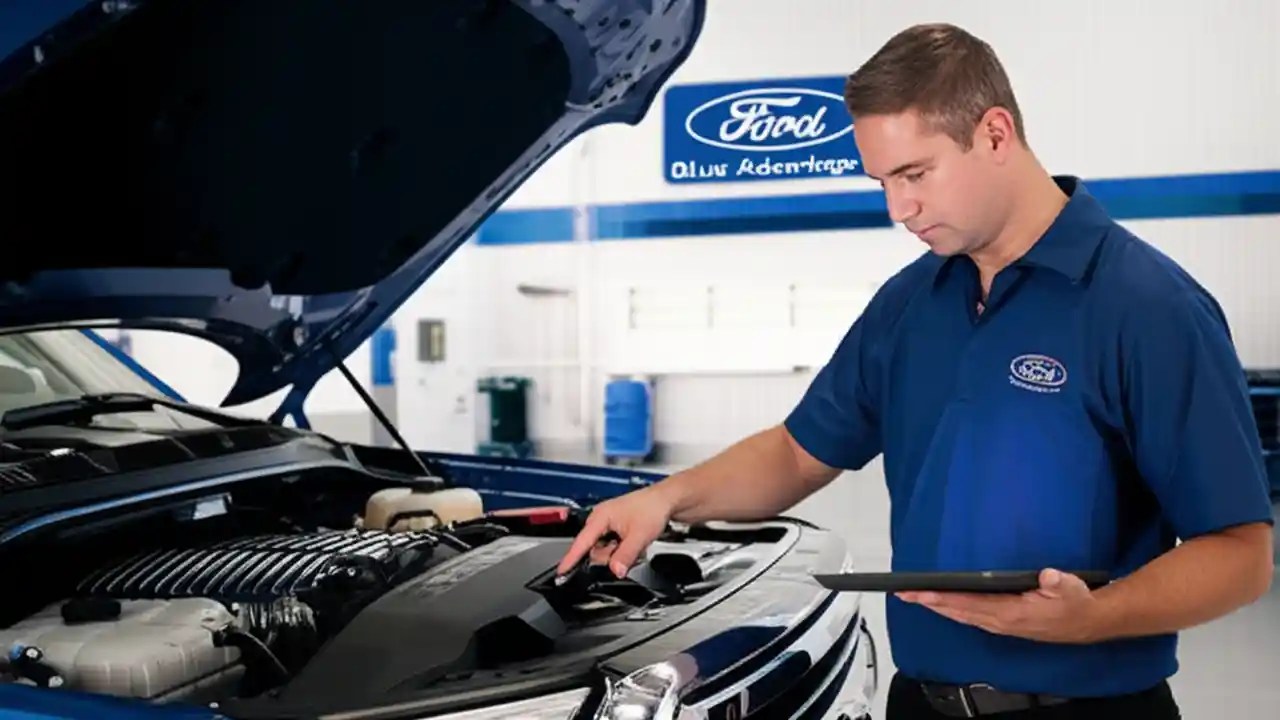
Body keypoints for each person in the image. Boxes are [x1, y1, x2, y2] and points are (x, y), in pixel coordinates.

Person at [556, 22, 1275, 719]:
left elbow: (1241, 556)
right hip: (920, 701)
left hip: (1089, 710)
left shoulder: (1148, 307)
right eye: (883, 182)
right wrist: (667, 498)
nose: (899, 208)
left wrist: (1096, 617)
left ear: (995, 134)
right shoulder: (910, 303)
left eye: (914, 174)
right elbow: (798, 453)